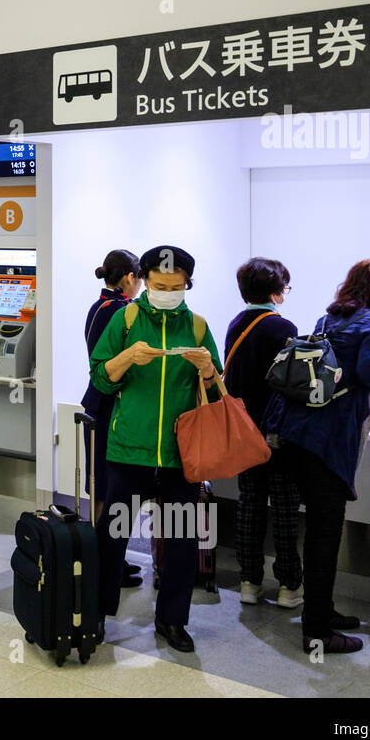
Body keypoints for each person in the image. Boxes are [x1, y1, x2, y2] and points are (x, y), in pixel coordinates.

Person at [262, 260, 370, 655]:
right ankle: (317, 633)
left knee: (319, 532)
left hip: (296, 432)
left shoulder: (331, 317)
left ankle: (323, 612)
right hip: (328, 441)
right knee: (326, 536)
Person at [89, 245, 221, 653]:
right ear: (144, 281)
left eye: (176, 286)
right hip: (129, 447)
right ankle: (97, 613)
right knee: (112, 534)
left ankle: (172, 620)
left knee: (181, 538)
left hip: (182, 452)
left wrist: (207, 369)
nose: (168, 291)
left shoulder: (197, 326)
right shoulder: (126, 318)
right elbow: (101, 378)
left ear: (187, 285)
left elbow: (216, 391)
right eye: (160, 285)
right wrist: (127, 356)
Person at [223, 258, 302, 608]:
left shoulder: (235, 325)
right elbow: (293, 384)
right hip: (278, 435)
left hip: (243, 432)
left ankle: (249, 582)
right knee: (284, 509)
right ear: (275, 291)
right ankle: (288, 587)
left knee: (250, 505)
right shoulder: (282, 328)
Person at [80, 249, 143, 589]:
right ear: (130, 278)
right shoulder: (120, 312)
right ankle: (106, 564)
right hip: (109, 406)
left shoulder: (98, 306)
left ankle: (109, 559)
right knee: (108, 488)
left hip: (96, 402)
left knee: (102, 486)